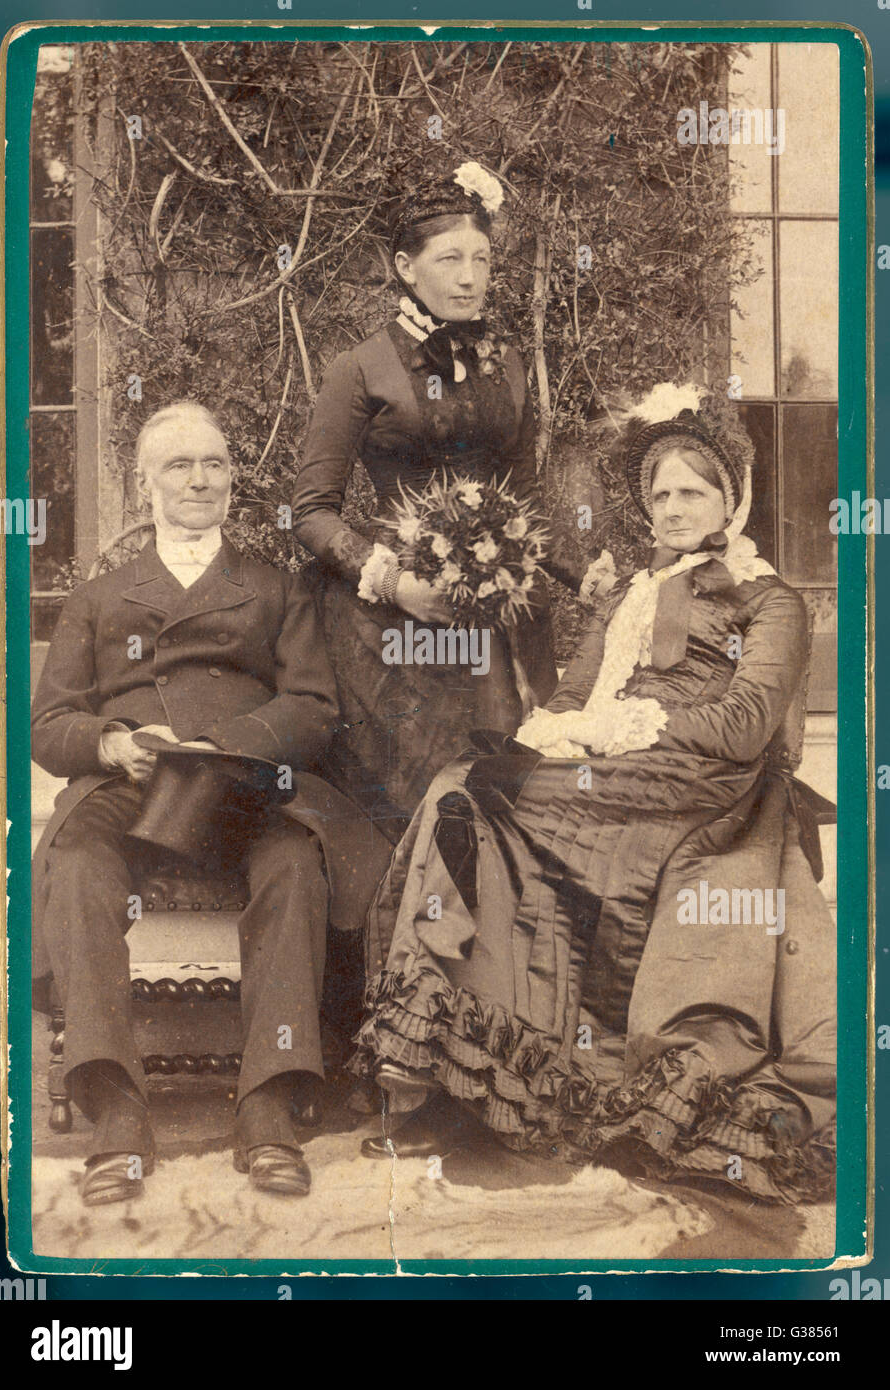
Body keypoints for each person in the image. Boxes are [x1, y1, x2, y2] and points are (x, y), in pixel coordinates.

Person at [353, 384, 837, 1206]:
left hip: (701, 785)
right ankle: (434, 1071)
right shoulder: (627, 598)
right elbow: (575, 699)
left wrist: (634, 722)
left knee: (482, 795)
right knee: (461, 792)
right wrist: (559, 730)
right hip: (614, 771)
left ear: (728, 499)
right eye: (660, 493)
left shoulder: (769, 600)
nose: (675, 507)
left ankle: (469, 1074)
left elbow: (748, 721)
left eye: (693, 491)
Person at [31, 401, 390, 1205]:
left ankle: (266, 1111)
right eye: (180, 466)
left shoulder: (273, 588)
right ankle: (116, 1112)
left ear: (234, 478)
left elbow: (311, 706)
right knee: (78, 860)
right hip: (129, 789)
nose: (200, 481)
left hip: (238, 787)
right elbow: (49, 727)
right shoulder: (99, 596)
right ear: (145, 482)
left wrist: (231, 745)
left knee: (296, 863)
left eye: (215, 464)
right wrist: (116, 742)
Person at [292, 160, 582, 846]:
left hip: (498, 611)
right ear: (405, 266)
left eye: (481, 259)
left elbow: (526, 497)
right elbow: (311, 510)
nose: (468, 276)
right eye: (449, 258)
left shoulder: (506, 362)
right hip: (391, 620)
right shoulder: (360, 368)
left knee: (509, 789)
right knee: (424, 798)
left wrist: (575, 570)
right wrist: (397, 582)